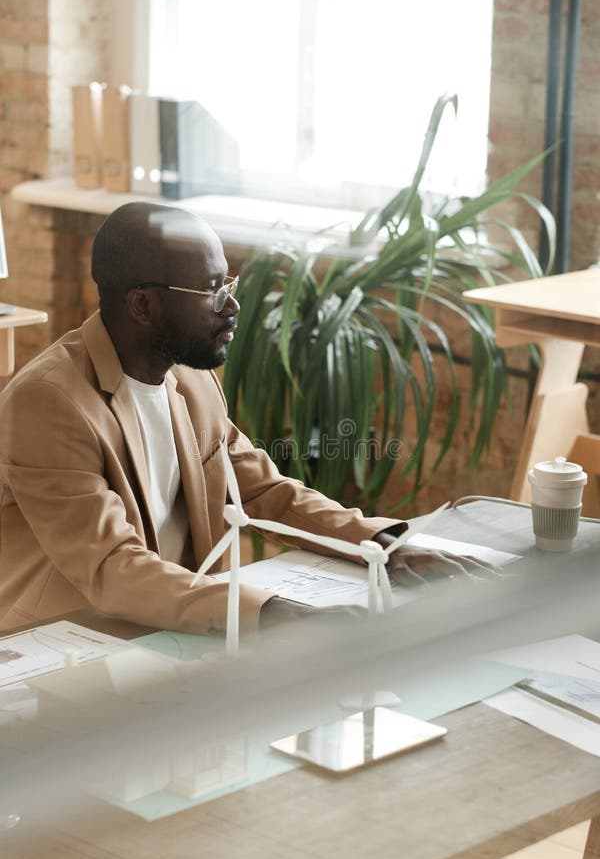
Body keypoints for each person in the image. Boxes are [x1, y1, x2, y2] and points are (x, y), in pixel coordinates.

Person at [0, 202, 483, 635]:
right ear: (143, 304)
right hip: (65, 643)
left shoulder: (190, 382)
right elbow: (111, 567)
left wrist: (383, 545)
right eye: (211, 290)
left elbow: (261, 491)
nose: (232, 307)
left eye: (227, 284)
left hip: (168, 625)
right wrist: (278, 614)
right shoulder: (49, 403)